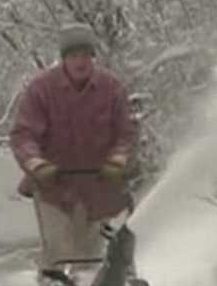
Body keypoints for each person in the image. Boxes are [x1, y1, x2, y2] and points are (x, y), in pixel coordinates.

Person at [9, 22, 137, 271]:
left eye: (86, 56)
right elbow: (24, 135)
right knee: (59, 254)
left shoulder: (112, 89)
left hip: (101, 190)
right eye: (74, 56)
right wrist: (37, 164)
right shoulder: (41, 90)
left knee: (98, 258)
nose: (81, 63)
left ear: (93, 57)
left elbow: (127, 133)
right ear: (64, 59)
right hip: (54, 190)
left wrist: (118, 160)